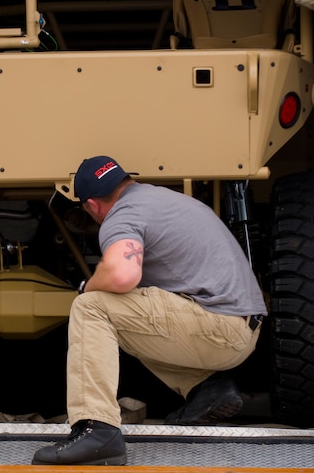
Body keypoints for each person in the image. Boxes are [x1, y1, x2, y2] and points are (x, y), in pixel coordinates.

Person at [32, 156, 267, 466]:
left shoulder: (122, 214)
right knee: (130, 315)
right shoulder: (166, 200)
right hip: (242, 326)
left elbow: (121, 275)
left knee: (92, 308)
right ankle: (207, 388)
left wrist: (87, 286)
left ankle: (97, 430)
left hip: (220, 328)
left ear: (91, 205)